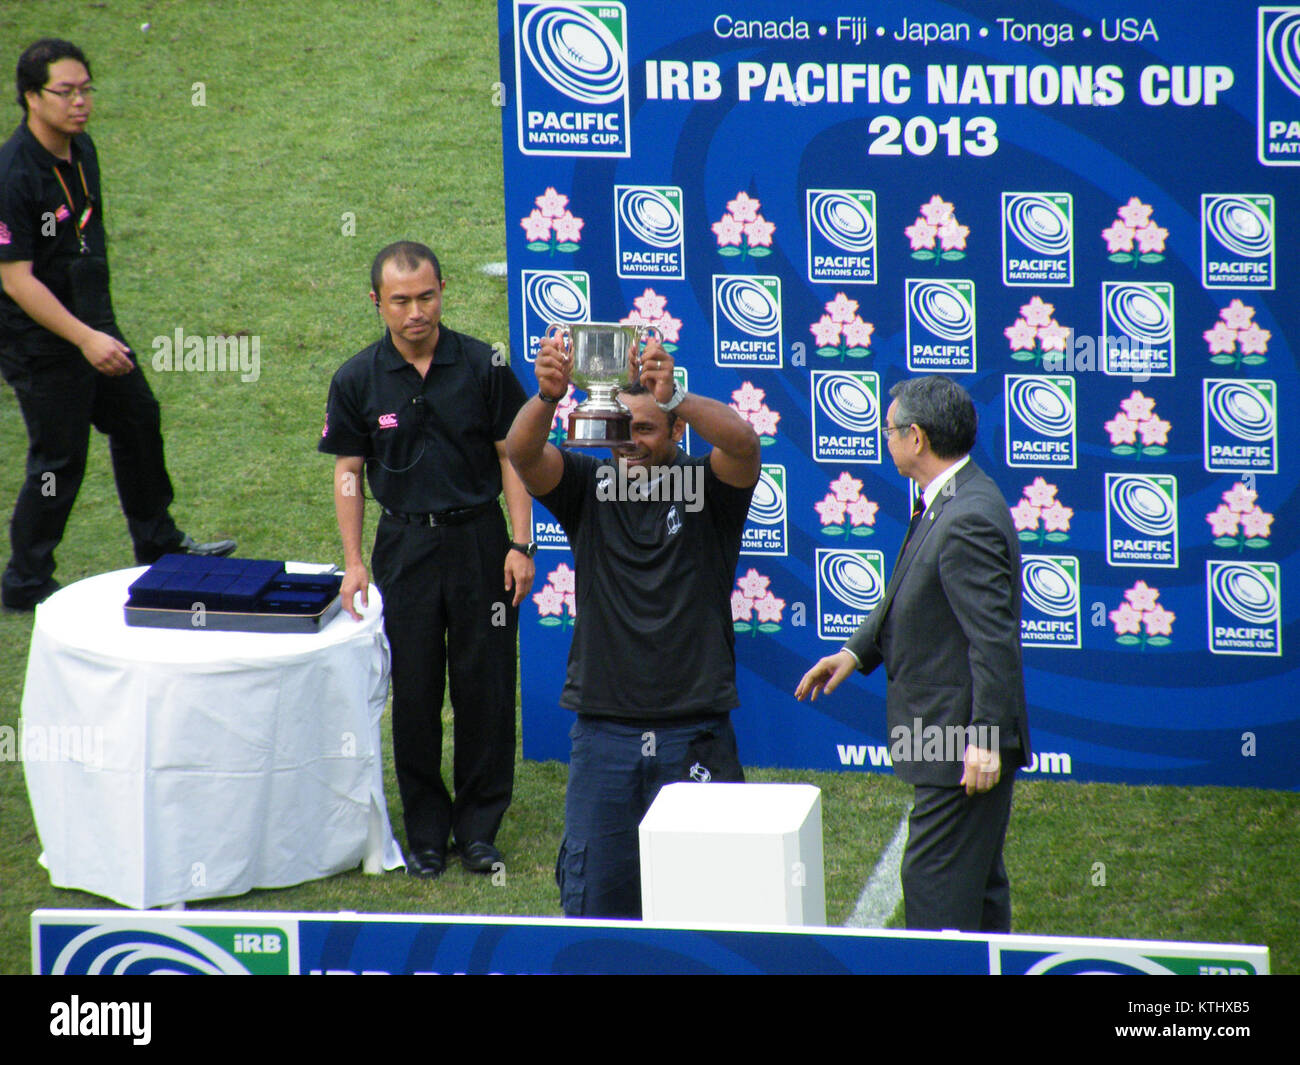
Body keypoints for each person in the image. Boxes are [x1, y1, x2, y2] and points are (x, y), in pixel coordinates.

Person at [507, 334, 760, 919]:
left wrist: (679, 396)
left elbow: (745, 445)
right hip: (604, 737)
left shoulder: (709, 489)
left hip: (694, 730)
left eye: (648, 428)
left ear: (676, 432)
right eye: (621, 429)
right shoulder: (588, 487)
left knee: (714, 908)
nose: (632, 443)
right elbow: (522, 456)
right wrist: (547, 397)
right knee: (597, 903)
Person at [319, 241, 533, 879]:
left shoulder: (484, 364)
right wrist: (354, 562)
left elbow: (511, 456)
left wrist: (521, 544)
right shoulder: (357, 378)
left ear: (444, 290)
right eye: (401, 300)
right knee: (413, 691)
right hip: (405, 548)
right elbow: (350, 473)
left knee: (486, 687)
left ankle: (479, 829)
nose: (416, 311)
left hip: (481, 544)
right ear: (377, 302)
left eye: (427, 296)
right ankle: (427, 832)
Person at [0, 39, 234, 610]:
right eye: (66, 92)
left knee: (137, 419)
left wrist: (99, 326)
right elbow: (16, 279)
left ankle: (157, 544)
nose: (80, 102)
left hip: (93, 322)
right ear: (31, 97)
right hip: (44, 341)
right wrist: (84, 338)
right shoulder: (12, 175)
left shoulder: (82, 150)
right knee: (59, 461)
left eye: (86, 90)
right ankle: (25, 582)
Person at [795, 375, 1031, 933]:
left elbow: (992, 640)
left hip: (960, 744)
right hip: (954, 738)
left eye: (889, 430)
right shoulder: (951, 497)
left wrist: (985, 741)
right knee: (975, 889)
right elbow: (911, 588)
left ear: (917, 438)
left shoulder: (965, 515)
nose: (885, 439)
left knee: (936, 894)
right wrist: (856, 652)